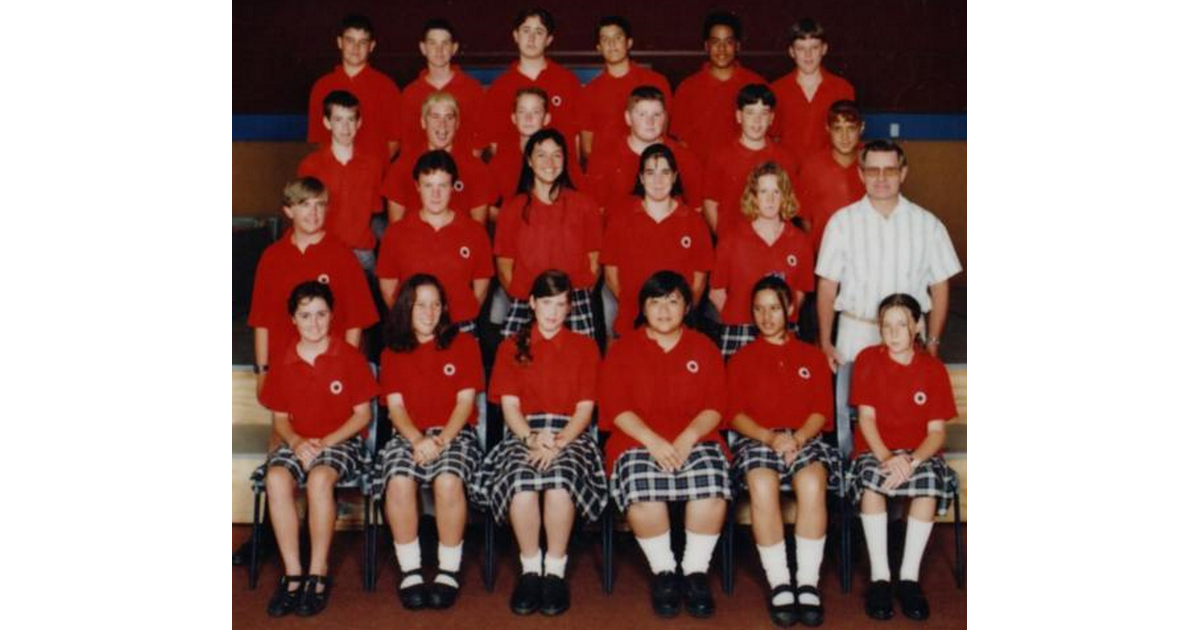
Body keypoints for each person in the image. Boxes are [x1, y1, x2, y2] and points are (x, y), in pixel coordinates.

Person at [471, 270, 607, 617]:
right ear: (532, 303)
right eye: (546, 302)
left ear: (570, 307)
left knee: (560, 483)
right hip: (524, 433)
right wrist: (532, 438)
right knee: (522, 483)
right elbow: (510, 407)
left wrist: (559, 442)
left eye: (561, 304)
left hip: (569, 435)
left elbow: (585, 409)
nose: (553, 311)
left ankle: (555, 572)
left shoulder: (584, 347)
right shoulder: (510, 345)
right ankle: (531, 569)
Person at [815, 139, 962, 457]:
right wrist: (826, 341)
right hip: (856, 332)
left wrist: (933, 340)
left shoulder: (927, 224)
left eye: (890, 170)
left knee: (910, 417)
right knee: (856, 420)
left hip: (911, 337)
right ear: (860, 173)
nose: (881, 177)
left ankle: (910, 483)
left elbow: (940, 286)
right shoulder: (842, 223)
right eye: (873, 170)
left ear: (903, 172)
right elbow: (827, 285)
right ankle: (864, 494)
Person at [599, 271, 730, 619]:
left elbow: (715, 406)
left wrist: (687, 438)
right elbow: (616, 407)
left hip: (695, 436)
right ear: (643, 307)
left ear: (687, 307)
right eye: (655, 301)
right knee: (644, 490)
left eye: (673, 301)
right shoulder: (624, 348)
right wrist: (653, 442)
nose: (663, 310)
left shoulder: (703, 347)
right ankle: (665, 573)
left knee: (712, 485)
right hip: (638, 438)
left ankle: (695, 572)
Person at [254, 281, 378, 618]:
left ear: (331, 315)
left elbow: (362, 415)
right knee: (277, 478)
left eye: (321, 314)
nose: (314, 323)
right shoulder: (284, 359)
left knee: (321, 479)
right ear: (293, 319)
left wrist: (324, 443)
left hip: (339, 441)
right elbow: (280, 419)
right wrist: (295, 442)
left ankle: (317, 572)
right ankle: (293, 573)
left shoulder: (348, 357)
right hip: (298, 439)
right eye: (305, 316)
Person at [727, 276, 841, 627]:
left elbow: (821, 410)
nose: (766, 316)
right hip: (759, 440)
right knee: (762, 484)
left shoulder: (811, 355)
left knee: (810, 483)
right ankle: (779, 581)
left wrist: (797, 439)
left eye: (774, 308)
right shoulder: (741, 359)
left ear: (790, 309)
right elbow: (733, 413)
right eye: (759, 309)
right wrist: (771, 438)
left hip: (805, 438)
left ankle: (806, 581)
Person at [847, 293, 959, 621]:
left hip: (918, 454)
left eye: (901, 325)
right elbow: (865, 419)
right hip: (876, 449)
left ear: (917, 325)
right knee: (871, 484)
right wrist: (886, 458)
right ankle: (880, 577)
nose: (894, 333)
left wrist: (910, 461)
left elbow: (936, 432)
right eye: (886, 326)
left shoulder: (933, 369)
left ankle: (908, 578)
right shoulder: (868, 360)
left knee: (926, 485)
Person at [377, 275, 485, 611]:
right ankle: (410, 570)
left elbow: (465, 403)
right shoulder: (392, 352)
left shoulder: (464, 344)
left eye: (436, 304)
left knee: (448, 480)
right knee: (397, 479)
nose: (429, 312)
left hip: (453, 433)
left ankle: (447, 570)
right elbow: (395, 408)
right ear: (407, 308)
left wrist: (440, 440)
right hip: (409, 434)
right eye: (421, 304)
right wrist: (417, 439)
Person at [248, 177, 378, 392]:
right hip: (285, 369)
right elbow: (261, 321)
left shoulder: (343, 256)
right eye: (304, 204)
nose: (314, 212)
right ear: (289, 210)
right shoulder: (272, 257)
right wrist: (262, 369)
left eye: (320, 204)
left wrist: (345, 368)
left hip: (329, 372)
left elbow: (356, 322)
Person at [494, 129, 602, 339]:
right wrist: (532, 302)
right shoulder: (512, 208)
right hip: (527, 300)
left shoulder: (584, 205)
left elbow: (594, 261)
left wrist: (567, 302)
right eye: (541, 155)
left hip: (573, 301)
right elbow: (504, 266)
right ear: (530, 161)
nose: (550, 162)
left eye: (557, 155)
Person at [600, 143, 713, 340]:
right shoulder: (621, 219)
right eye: (651, 173)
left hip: (679, 329)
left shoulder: (693, 222)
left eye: (665, 172)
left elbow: (699, 281)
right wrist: (643, 311)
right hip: (632, 324)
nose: (658, 180)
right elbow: (611, 275)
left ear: (675, 176)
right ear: (642, 178)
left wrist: (675, 316)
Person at [377, 150, 493, 333]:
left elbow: (481, 286)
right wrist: (409, 321)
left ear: (453, 187)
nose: (436, 194)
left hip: (460, 326)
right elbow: (387, 286)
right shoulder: (396, 233)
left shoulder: (475, 232)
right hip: (412, 328)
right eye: (428, 186)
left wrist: (463, 317)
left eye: (443, 186)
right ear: (417, 186)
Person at [710, 162, 813, 357]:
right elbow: (717, 293)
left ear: (785, 196)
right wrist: (743, 320)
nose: (770, 199)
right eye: (764, 191)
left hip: (783, 332)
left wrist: (776, 322)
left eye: (776, 192)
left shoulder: (799, 242)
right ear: (754, 197)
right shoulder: (732, 239)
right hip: (740, 330)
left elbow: (799, 294)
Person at [297, 90, 387, 265]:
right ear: (326, 122)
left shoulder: (373, 165)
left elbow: (375, 214)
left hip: (362, 255)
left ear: (359, 122)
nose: (345, 128)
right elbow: (303, 217)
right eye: (338, 120)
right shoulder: (310, 166)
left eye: (351, 119)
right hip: (324, 252)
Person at [480, 7, 582, 160]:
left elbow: (576, 141)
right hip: (514, 177)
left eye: (539, 32)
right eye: (526, 30)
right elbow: (494, 146)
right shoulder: (500, 87)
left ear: (548, 40)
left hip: (557, 174)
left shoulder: (567, 81)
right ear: (516, 35)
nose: (531, 38)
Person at [584, 86, 705, 213]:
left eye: (657, 114)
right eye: (642, 114)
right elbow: (595, 213)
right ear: (628, 118)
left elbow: (696, 211)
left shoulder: (685, 159)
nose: (650, 121)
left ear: (665, 117)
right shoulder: (603, 158)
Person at [702, 84, 800, 237]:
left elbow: (789, 205)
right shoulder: (720, 156)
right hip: (732, 246)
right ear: (739, 116)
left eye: (764, 113)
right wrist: (724, 240)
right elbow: (710, 203)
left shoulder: (785, 158)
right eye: (750, 113)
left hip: (771, 244)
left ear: (772, 118)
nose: (757, 121)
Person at [382, 92, 495, 224]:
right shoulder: (402, 167)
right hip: (415, 241)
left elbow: (478, 232)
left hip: (459, 241)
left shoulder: (476, 169)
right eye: (435, 117)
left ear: (457, 123)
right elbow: (395, 230)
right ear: (423, 122)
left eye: (449, 117)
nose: (443, 125)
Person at [671, 11, 766, 164]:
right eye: (715, 42)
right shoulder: (687, 88)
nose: (722, 49)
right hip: (701, 175)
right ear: (706, 46)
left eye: (728, 42)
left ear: (737, 46)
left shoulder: (756, 83)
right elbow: (681, 141)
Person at [307, 14, 403, 162]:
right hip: (333, 177)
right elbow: (317, 139)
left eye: (363, 42)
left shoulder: (387, 87)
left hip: (376, 179)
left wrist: (374, 171)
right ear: (340, 42)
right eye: (350, 40)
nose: (356, 48)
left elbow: (395, 140)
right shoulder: (322, 86)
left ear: (372, 46)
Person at [578, 16, 673, 162]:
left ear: (629, 43)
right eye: (605, 39)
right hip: (608, 173)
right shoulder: (589, 92)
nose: (612, 44)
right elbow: (587, 148)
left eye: (617, 37)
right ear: (598, 48)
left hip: (647, 171)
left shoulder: (656, 81)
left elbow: (662, 133)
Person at [769, 18, 856, 162]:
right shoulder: (776, 90)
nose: (808, 55)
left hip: (828, 174)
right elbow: (771, 139)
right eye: (801, 48)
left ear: (824, 49)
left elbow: (850, 139)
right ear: (791, 51)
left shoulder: (843, 89)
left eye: (814, 48)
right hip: (788, 175)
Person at [489, 87, 585, 214]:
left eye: (536, 112)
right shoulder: (501, 160)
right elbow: (489, 208)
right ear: (513, 118)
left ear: (546, 118)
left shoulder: (561, 157)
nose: (528, 118)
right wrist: (513, 218)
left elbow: (580, 203)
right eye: (522, 112)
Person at [399, 19, 486, 158]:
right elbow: (408, 145)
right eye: (432, 43)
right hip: (425, 172)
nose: (439, 50)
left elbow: (479, 143)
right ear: (423, 48)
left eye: (445, 43)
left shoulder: (472, 89)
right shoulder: (410, 93)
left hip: (464, 171)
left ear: (454, 48)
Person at [796, 100, 866, 254]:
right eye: (838, 129)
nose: (845, 136)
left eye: (851, 128)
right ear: (827, 129)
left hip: (863, 253)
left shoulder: (871, 161)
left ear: (861, 128)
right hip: (824, 256)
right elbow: (805, 220)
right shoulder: (812, 166)